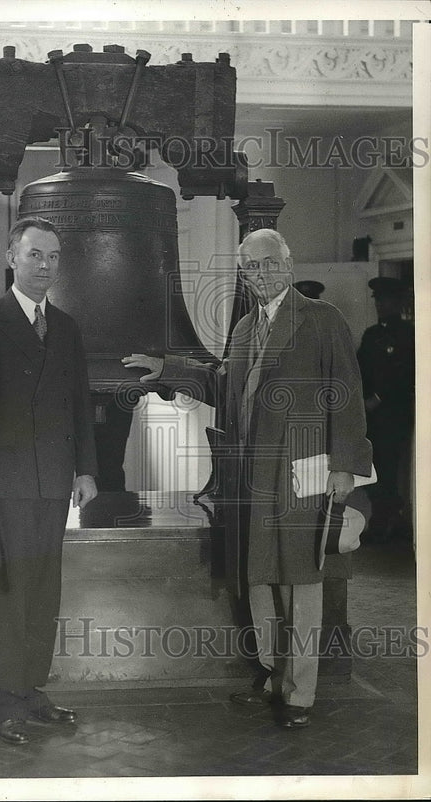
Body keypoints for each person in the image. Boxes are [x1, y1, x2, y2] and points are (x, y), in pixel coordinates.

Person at [123, 228, 372, 729]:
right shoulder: (242, 330)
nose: (259, 275)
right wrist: (167, 369)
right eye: (250, 269)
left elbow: (347, 393)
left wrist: (346, 467)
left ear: (288, 261)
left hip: (303, 473)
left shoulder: (322, 320)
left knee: (301, 582)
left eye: (266, 263)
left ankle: (300, 693)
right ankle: (269, 676)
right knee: (260, 578)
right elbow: (223, 385)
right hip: (252, 480)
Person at [0, 217, 98, 745]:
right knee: (10, 593)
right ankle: (6, 702)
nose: (45, 266)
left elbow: (79, 403)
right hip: (4, 484)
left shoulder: (67, 327)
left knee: (44, 593)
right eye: (35, 255)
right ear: (12, 258)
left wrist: (85, 469)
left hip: (55, 483)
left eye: (54, 256)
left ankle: (33, 691)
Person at [357, 276, 415, 542]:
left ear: (396, 301)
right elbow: (360, 371)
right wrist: (362, 400)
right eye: (378, 300)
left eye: (385, 300)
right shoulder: (372, 335)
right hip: (371, 417)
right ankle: (385, 518)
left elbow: (404, 374)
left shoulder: (408, 333)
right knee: (374, 468)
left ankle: (388, 521)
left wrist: (378, 398)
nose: (380, 304)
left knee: (390, 469)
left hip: (393, 415)